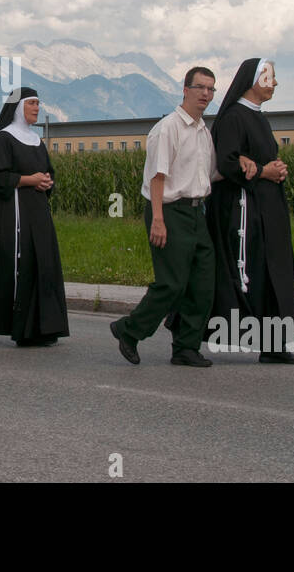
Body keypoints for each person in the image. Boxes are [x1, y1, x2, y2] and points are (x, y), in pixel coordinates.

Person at [109, 67, 221, 368]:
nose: (206, 94)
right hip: (169, 212)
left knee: (202, 283)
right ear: (185, 89)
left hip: (197, 213)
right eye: (200, 87)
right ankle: (129, 330)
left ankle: (186, 347)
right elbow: (158, 177)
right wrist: (158, 219)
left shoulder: (203, 131)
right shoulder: (168, 128)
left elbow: (208, 174)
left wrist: (248, 165)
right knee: (171, 283)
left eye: (211, 89)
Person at [207, 58, 294, 363]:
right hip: (245, 210)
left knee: (275, 271)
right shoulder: (235, 117)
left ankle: (274, 344)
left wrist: (276, 170)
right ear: (254, 79)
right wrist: (263, 171)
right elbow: (227, 163)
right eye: (270, 78)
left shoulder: (258, 117)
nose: (274, 83)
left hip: (268, 207)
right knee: (255, 274)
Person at [0, 87, 69, 347]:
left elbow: (48, 172)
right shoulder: (4, 138)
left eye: (38, 104)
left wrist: (46, 183)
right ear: (18, 107)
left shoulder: (36, 140)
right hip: (7, 216)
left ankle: (34, 329)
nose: (36, 108)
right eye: (31, 103)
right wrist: (29, 179)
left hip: (36, 215)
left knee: (39, 265)